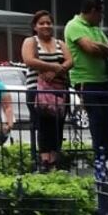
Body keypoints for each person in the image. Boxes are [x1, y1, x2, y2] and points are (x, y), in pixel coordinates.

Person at [65, 0, 108, 215]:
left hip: (104, 79)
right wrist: (103, 49)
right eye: (100, 13)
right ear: (91, 11)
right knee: (97, 119)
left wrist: (103, 49)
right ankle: (100, 156)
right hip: (86, 80)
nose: (102, 18)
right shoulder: (74, 26)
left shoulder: (96, 29)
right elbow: (89, 49)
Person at [22, 9, 74, 171]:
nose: (46, 26)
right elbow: (29, 60)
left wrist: (57, 71)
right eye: (41, 23)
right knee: (43, 125)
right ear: (35, 26)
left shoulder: (60, 43)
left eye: (48, 23)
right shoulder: (30, 41)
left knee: (57, 125)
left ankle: (55, 160)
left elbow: (70, 61)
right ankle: (45, 162)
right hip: (37, 90)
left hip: (59, 91)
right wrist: (52, 67)